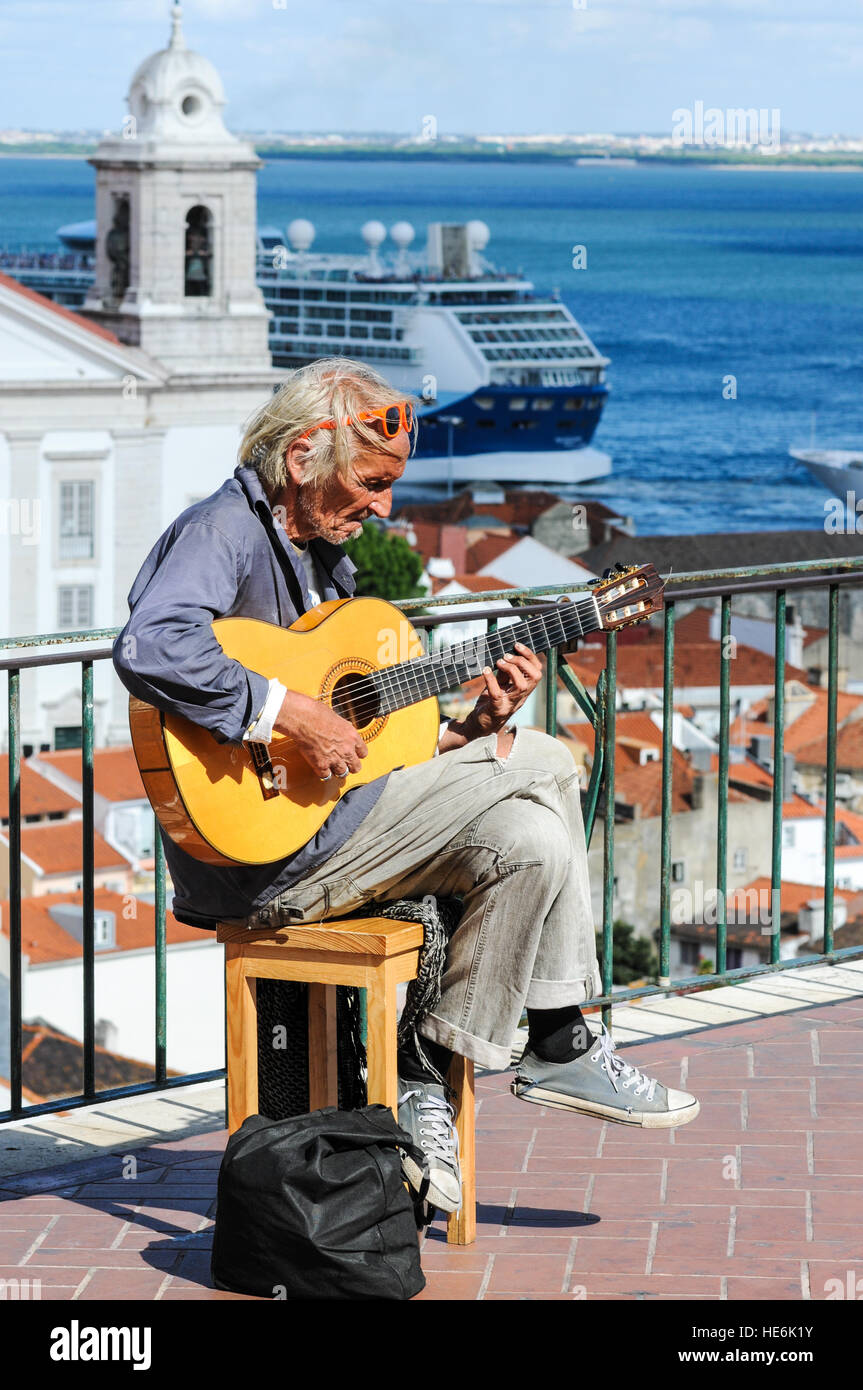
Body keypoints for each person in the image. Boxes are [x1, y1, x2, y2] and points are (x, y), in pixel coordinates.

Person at [113, 357, 700, 1216]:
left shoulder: (324, 565)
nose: (384, 506)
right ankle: (558, 1035)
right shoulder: (224, 531)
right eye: (371, 481)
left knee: (532, 838)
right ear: (305, 450)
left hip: (330, 833)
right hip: (261, 862)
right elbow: (151, 645)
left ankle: (435, 1057)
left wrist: (469, 725)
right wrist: (286, 712)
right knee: (547, 763)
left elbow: (370, 756)